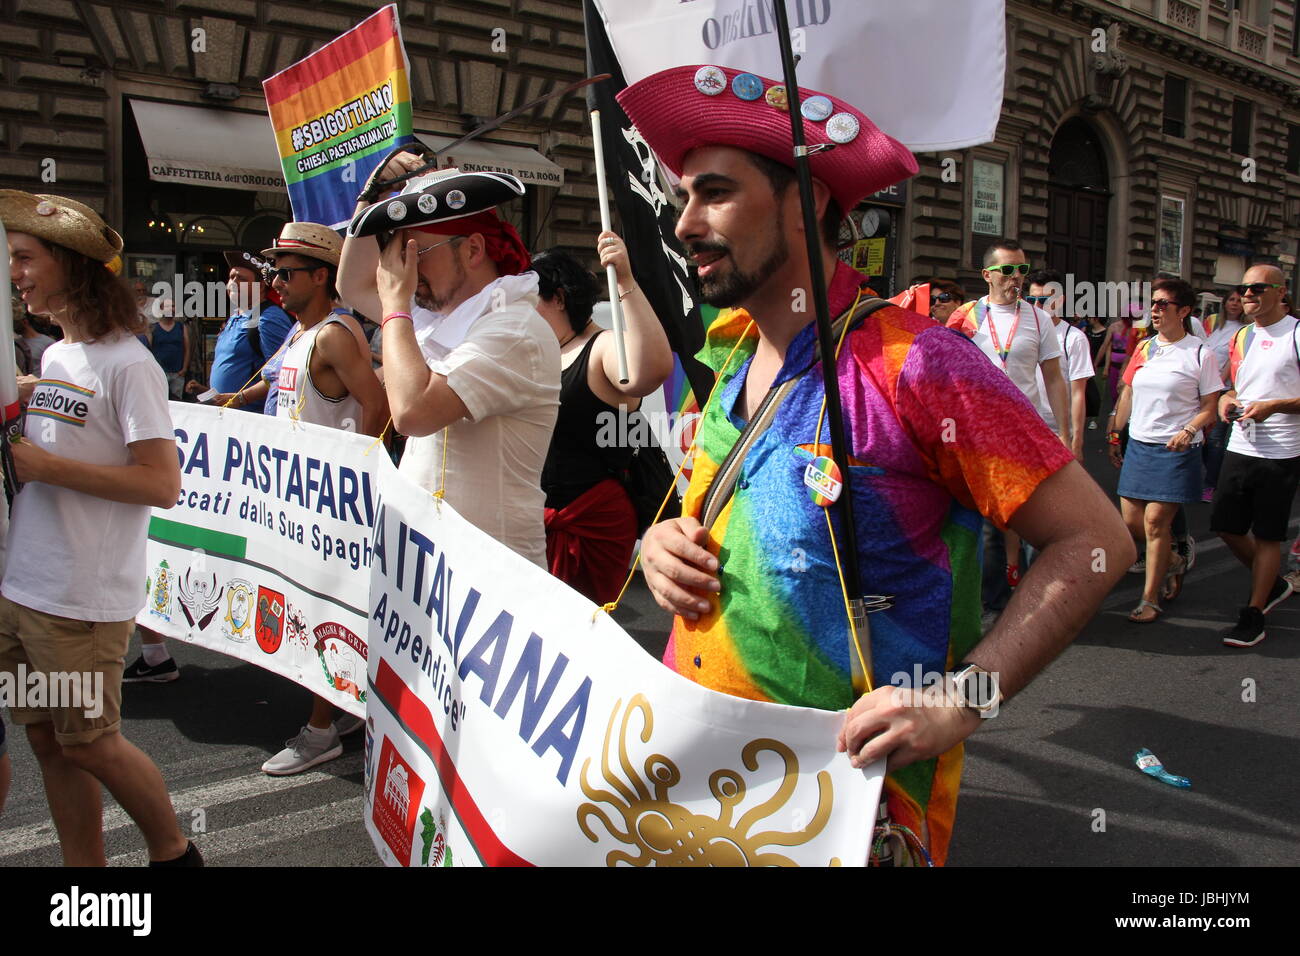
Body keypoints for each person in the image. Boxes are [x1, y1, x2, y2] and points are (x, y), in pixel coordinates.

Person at [619, 65, 1132, 865]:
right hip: (698, 793)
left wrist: (965, 698)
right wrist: (660, 549)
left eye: (713, 193)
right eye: (682, 198)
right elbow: (709, 517)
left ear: (808, 198)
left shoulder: (920, 364)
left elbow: (1096, 542)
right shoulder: (728, 357)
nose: (684, 224)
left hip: (843, 821)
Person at [0, 190, 199, 865]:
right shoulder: (57, 356)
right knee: (47, 742)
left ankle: (175, 852)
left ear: (70, 263)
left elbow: (160, 483)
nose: (14, 271)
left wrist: (46, 467)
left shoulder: (131, 364)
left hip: (82, 599)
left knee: (89, 741)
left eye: (25, 258)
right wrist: (24, 394)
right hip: (24, 588)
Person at [339, 160, 560, 571]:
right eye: (398, 255)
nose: (405, 271)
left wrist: (393, 306)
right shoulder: (436, 319)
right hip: (434, 568)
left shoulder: (513, 327)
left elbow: (412, 412)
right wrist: (371, 202)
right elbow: (351, 285)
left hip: (491, 575)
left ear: (473, 250)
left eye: (415, 253)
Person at [257, 223, 387, 775]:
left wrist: (345, 470)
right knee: (305, 604)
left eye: (287, 273)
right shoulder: (299, 334)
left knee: (320, 609)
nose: (277, 283)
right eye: (274, 272)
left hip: (328, 506)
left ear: (321, 276)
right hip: (298, 503)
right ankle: (344, 709)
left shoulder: (334, 334)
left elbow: (379, 407)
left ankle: (318, 733)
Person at [533, 239, 674, 604]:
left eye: (529, 300)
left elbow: (651, 368)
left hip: (591, 521)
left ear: (559, 298)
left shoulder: (604, 346)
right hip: (536, 517)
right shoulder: (543, 349)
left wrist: (625, 279)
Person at [948, 240, 1070, 596]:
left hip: (1026, 433)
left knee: (1030, 516)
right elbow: (948, 376)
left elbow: (1053, 377)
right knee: (989, 522)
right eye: (1007, 270)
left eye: (1021, 270)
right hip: (979, 435)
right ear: (987, 275)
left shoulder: (1038, 318)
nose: (1015, 277)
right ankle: (994, 598)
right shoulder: (966, 316)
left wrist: (1065, 433)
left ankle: (1036, 590)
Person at [1107, 278, 1222, 622]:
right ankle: (1173, 559)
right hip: (1140, 444)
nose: (1154, 310)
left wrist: (1189, 429)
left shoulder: (1200, 353)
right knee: (1131, 522)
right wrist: (1115, 434)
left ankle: (1149, 599)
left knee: (1156, 523)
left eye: (1163, 305)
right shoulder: (1144, 348)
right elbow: (1127, 393)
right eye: (1153, 303)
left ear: (1184, 311)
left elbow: (1209, 406)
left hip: (1176, 450)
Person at [1211, 265, 1300, 647]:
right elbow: (1234, 387)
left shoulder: (1296, 334)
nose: (1247, 295)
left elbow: (1275, 396)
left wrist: (1275, 406)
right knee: (1226, 525)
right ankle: (1275, 582)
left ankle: (1255, 612)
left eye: (1256, 288)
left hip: (1282, 451)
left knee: (1267, 535)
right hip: (1241, 444)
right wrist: (1227, 401)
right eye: (1243, 288)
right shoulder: (1243, 336)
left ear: (1281, 293)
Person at [185, 249, 294, 412]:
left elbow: (281, 373)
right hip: (228, 417)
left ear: (261, 286)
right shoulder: (235, 316)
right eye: (231, 277)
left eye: (241, 278)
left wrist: (241, 398)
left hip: (250, 420)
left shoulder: (269, 318)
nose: (233, 282)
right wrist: (206, 391)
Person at [1027, 270, 1093, 462]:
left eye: (1046, 299)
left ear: (1060, 300)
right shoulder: (1020, 335)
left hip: (1058, 434)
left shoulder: (1073, 338)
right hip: (1024, 430)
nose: (1038, 305)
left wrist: (1076, 441)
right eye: (1032, 299)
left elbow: (1078, 393)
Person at [1199, 289, 1247, 501]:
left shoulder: (1244, 330)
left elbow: (1231, 361)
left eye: (1239, 301)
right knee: (1199, 436)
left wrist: (1216, 386)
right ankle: (1201, 478)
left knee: (1215, 439)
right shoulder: (1214, 324)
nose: (1235, 304)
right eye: (1231, 300)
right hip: (1201, 387)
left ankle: (1210, 485)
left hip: (1223, 390)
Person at [145, 296, 189, 400]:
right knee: (159, 401)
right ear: (161, 309)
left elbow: (187, 349)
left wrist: (184, 369)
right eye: (168, 306)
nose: (171, 309)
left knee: (177, 404)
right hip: (160, 373)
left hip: (177, 373)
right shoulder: (153, 328)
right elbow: (148, 351)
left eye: (173, 306)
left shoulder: (181, 327)